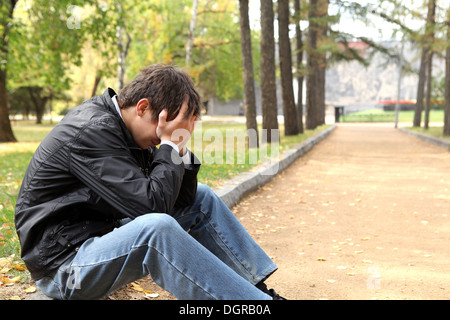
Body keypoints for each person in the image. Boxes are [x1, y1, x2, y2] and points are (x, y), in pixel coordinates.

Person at [14, 64, 285, 300]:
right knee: (157, 229)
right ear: (142, 107)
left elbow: (181, 200)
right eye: (167, 124)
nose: (164, 135)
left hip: (100, 239)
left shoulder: (129, 128)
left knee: (202, 199)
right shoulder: (92, 130)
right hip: (64, 267)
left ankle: (255, 292)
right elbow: (152, 208)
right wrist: (168, 145)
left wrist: (177, 148)